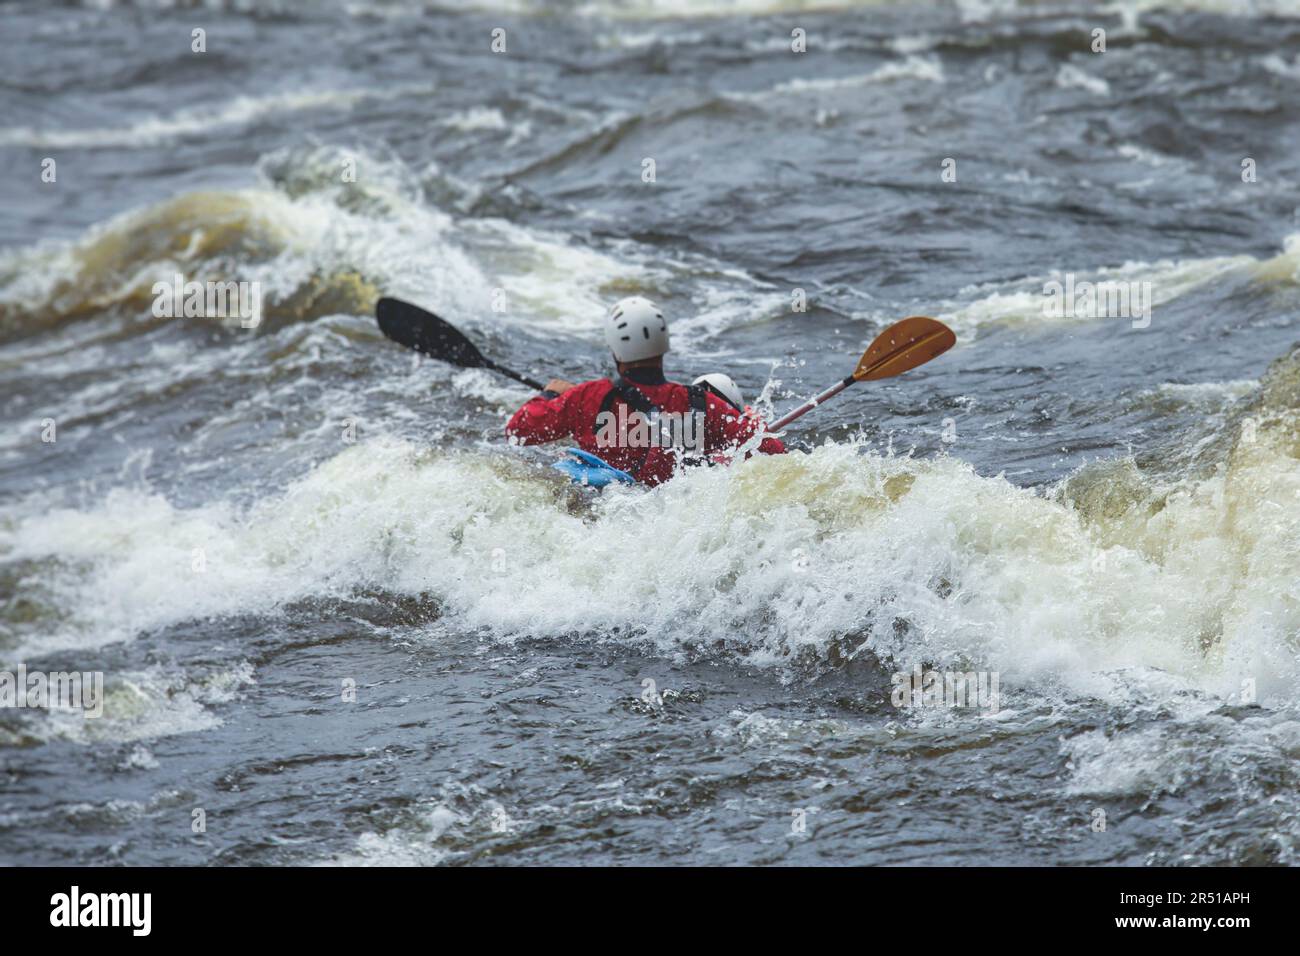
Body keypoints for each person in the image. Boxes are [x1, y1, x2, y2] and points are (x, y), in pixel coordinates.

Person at [506, 297, 785, 486]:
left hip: (604, 508)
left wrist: (551, 395)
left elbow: (518, 432)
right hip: (670, 513)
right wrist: (745, 415)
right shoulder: (700, 403)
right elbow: (773, 451)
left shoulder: (589, 397)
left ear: (615, 348)